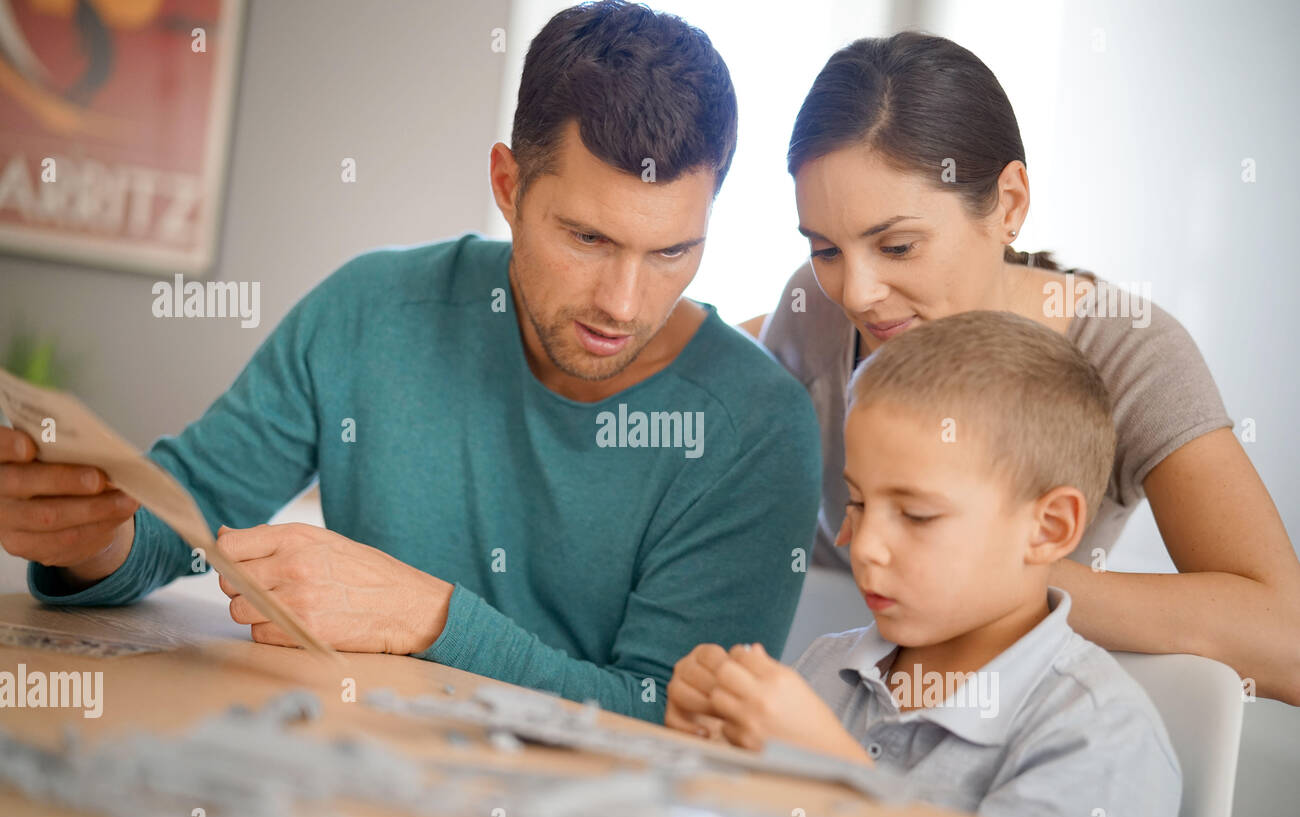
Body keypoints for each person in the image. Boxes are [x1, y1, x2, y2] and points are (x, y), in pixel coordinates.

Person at [0, 1, 821, 723]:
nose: (625, 301)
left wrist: (429, 618)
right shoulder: (370, 311)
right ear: (507, 183)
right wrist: (87, 537)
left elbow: (671, 722)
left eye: (675, 249)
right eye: (587, 238)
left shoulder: (756, 430)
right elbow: (183, 516)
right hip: (346, 775)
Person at [743, 32, 1300, 704]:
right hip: (827, 689)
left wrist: (1000, 577)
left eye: (897, 244)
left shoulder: (1128, 352)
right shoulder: (817, 308)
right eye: (826, 247)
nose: (856, 292)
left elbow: (1285, 642)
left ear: (1008, 204)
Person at [668, 312, 1181, 817]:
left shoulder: (1096, 734)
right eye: (859, 503)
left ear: (1048, 528)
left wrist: (838, 774)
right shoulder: (826, 667)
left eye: (915, 515)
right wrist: (713, 751)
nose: (863, 545)